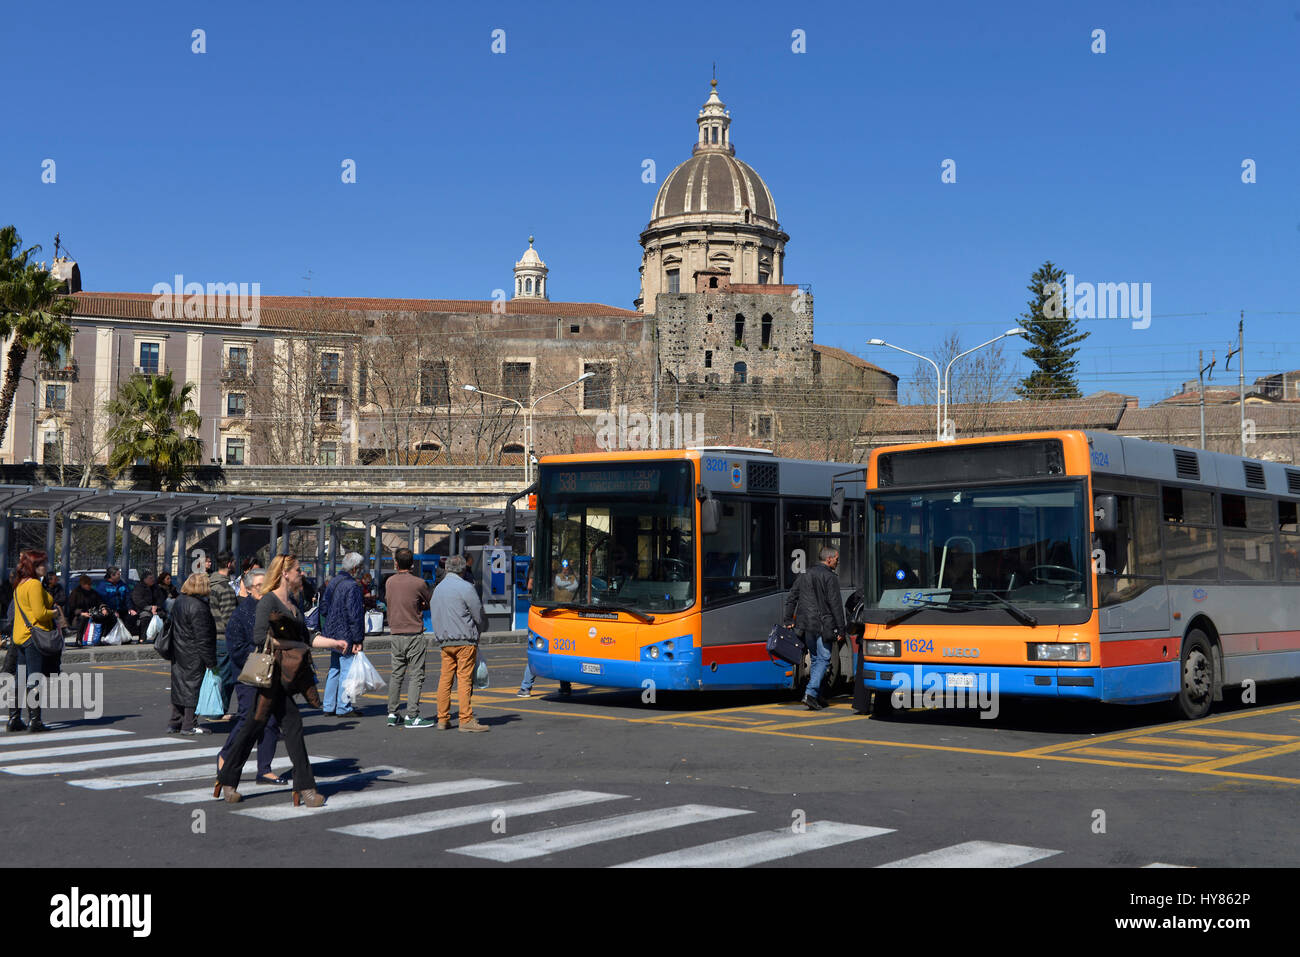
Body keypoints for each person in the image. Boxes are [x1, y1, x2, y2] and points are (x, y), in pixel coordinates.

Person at [215, 553, 346, 806]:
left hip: (284, 679)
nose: (302, 574)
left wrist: (335, 644)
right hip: (267, 677)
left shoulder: (294, 603)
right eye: (298, 570)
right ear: (285, 573)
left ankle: (303, 788)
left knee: (287, 727)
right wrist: (294, 643)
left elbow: (306, 638)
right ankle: (230, 778)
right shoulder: (269, 602)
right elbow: (259, 638)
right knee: (253, 728)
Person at [218, 567, 282, 784]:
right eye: (259, 587)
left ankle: (264, 769)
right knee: (248, 718)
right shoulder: (242, 613)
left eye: (267, 586)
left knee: (271, 720)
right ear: (248, 588)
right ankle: (225, 756)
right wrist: (263, 651)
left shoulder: (274, 608)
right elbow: (236, 648)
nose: (264, 590)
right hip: (249, 674)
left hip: (272, 672)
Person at [430, 554, 490, 732]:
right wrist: (479, 630)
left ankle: (442, 719)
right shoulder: (466, 587)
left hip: (445, 640)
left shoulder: (438, 589)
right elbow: (477, 613)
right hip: (464, 639)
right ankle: (465, 719)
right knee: (464, 680)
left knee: (445, 679)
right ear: (463, 569)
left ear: (447, 568)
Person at [783, 545, 846, 711]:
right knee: (824, 659)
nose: (838, 563)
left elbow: (791, 597)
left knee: (817, 658)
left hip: (805, 625)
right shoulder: (830, 577)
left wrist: (788, 618)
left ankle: (817, 695)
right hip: (823, 625)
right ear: (829, 559)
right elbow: (836, 606)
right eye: (837, 559)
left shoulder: (805, 574)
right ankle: (810, 694)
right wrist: (841, 629)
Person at [7, 551, 58, 732]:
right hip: (34, 637)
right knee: (34, 679)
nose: (46, 566)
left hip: (20, 637)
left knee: (20, 679)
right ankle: (35, 721)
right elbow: (40, 614)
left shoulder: (19, 584)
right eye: (42, 564)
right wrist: (55, 613)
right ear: (34, 567)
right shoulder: (34, 585)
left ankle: (14, 718)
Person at [384, 548, 434, 728]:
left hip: (395, 633)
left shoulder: (389, 582)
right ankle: (412, 715)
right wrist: (420, 604)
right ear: (412, 564)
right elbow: (429, 601)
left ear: (396, 563)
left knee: (397, 674)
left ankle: (392, 713)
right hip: (414, 632)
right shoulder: (419, 583)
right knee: (416, 675)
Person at [166, 573, 218, 735]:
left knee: (180, 685)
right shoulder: (199, 607)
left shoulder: (180, 601)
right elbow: (203, 638)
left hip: (179, 648)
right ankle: (189, 724)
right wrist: (211, 661)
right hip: (194, 652)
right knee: (193, 688)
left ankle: (175, 722)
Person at [319, 552, 365, 717]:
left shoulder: (334, 581)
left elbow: (323, 607)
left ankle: (328, 705)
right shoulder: (352, 586)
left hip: (332, 631)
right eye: (360, 568)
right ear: (354, 569)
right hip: (346, 633)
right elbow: (355, 615)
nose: (361, 570)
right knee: (347, 670)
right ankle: (343, 707)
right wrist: (358, 639)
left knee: (334, 668)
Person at [207, 550, 239, 714]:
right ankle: (218, 710)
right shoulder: (225, 588)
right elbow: (229, 618)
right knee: (227, 678)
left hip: (213, 635)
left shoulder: (210, 583)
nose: (235, 565)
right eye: (233, 562)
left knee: (216, 676)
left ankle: (213, 708)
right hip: (223, 637)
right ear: (228, 564)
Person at [67, 575, 115, 643]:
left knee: (105, 616)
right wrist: (81, 613)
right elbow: (72, 607)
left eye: (90, 584)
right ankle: (79, 639)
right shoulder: (76, 593)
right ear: (83, 584)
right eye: (88, 584)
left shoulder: (93, 593)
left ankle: (99, 638)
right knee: (83, 618)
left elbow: (99, 601)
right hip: (77, 615)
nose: (90, 586)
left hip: (91, 612)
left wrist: (103, 608)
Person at [132, 570, 166, 641]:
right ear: (144, 579)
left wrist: (157, 607)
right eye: (150, 578)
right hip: (142, 609)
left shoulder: (156, 587)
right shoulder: (139, 588)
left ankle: (160, 638)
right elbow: (138, 600)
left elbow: (160, 598)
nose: (153, 580)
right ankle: (142, 638)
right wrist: (150, 608)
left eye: (153, 578)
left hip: (156, 609)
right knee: (146, 617)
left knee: (163, 616)